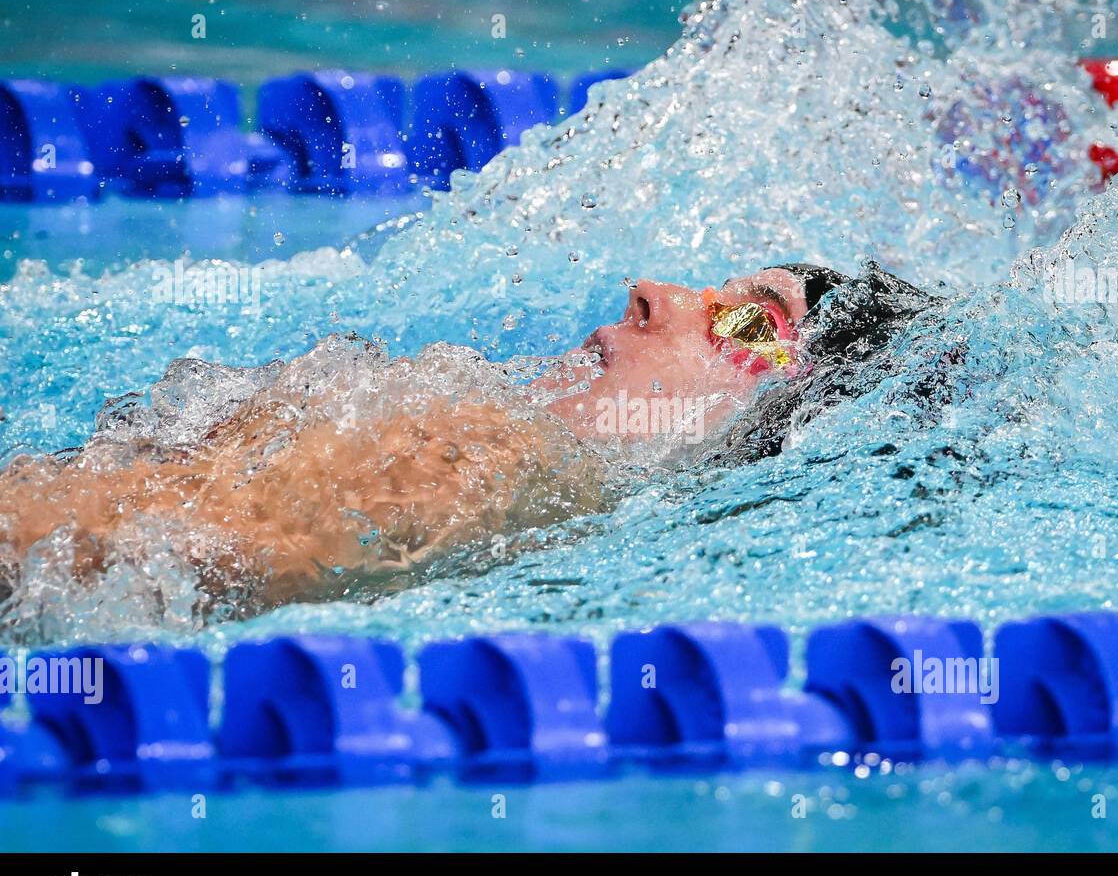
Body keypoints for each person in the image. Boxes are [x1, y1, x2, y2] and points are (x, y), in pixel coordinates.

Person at [0, 262, 940, 622]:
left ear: (797, 428)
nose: (656, 289)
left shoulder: (480, 456)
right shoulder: (480, 448)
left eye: (747, 326)